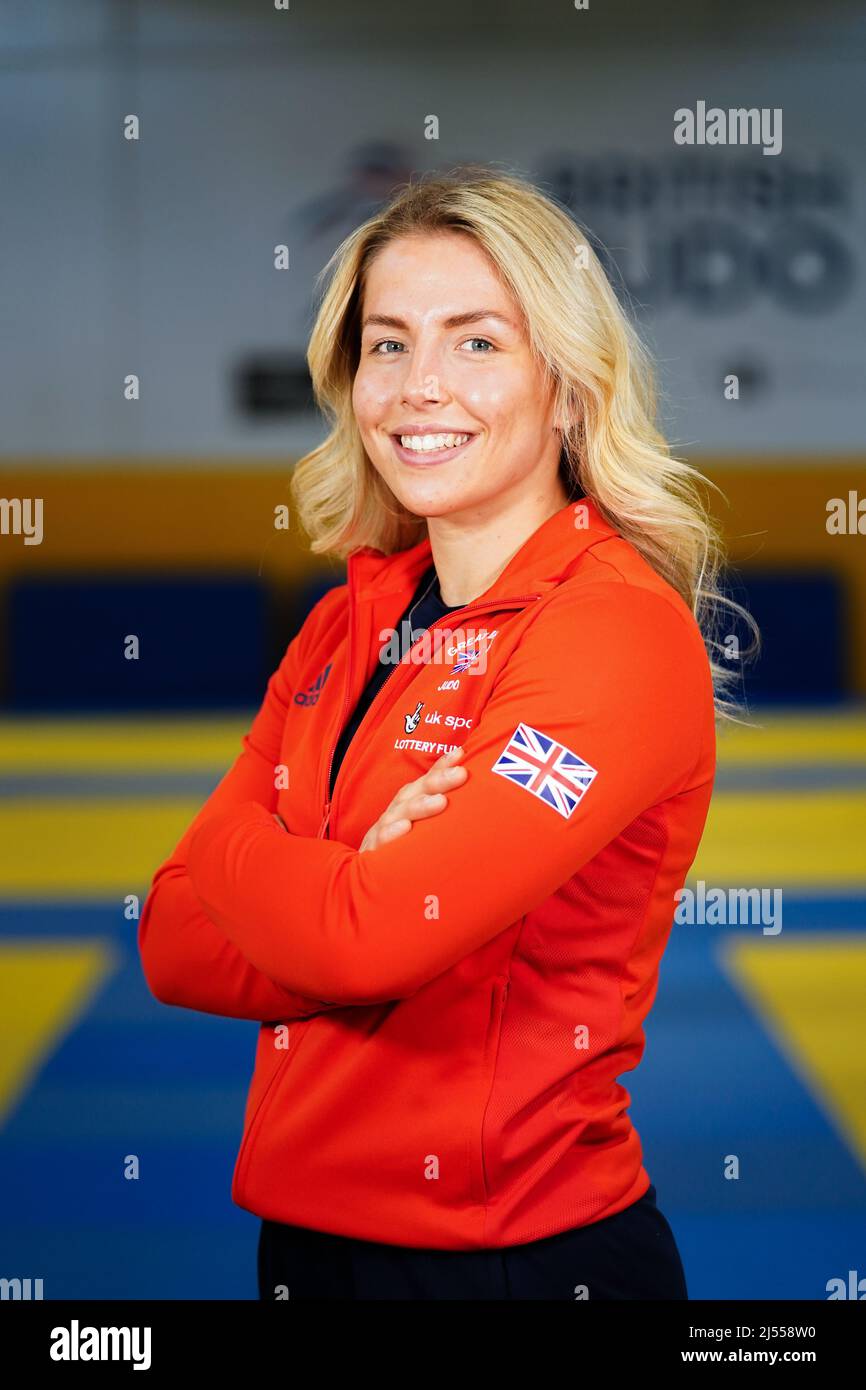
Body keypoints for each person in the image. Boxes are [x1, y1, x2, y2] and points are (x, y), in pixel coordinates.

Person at [138, 166, 756, 1300]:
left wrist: (274, 871)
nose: (420, 386)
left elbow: (367, 938)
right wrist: (340, 880)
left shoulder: (613, 633)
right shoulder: (344, 622)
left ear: (566, 388)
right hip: (304, 1250)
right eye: (387, 344)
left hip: (515, 1262)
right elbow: (171, 940)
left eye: (476, 343)